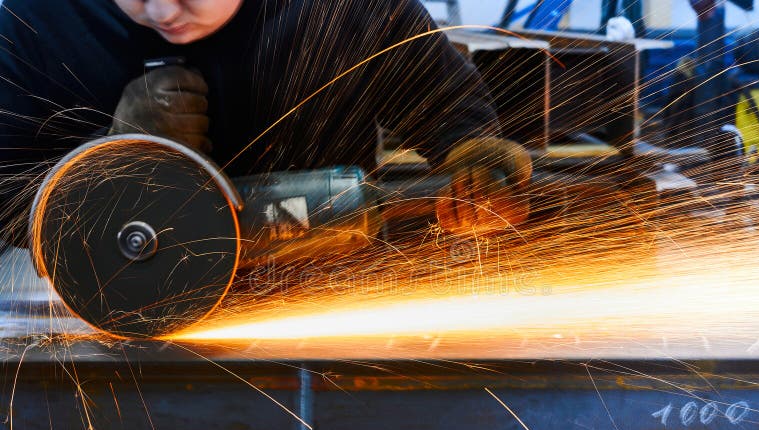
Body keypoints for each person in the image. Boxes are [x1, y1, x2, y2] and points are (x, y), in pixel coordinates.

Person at [0, 0, 531, 248]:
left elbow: (454, 119)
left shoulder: (350, 9)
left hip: (326, 313)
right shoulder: (32, 22)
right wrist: (110, 164)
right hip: (107, 327)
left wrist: (477, 162)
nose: (163, 10)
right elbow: (6, 202)